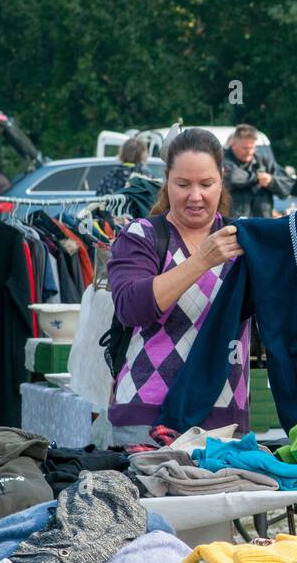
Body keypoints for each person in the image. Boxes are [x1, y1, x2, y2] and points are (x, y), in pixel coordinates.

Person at [106, 128, 249, 444]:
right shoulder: (141, 236)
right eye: (183, 184)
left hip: (224, 420)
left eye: (206, 184)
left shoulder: (242, 239)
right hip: (146, 416)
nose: (195, 196)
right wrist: (201, 262)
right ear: (166, 181)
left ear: (222, 179)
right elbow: (131, 307)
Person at [223, 124, 294, 218]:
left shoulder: (264, 162)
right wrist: (257, 177)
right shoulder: (223, 160)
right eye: (245, 148)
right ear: (233, 145)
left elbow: (287, 186)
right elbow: (233, 177)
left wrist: (271, 182)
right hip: (235, 223)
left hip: (263, 223)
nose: (249, 152)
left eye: (252, 147)